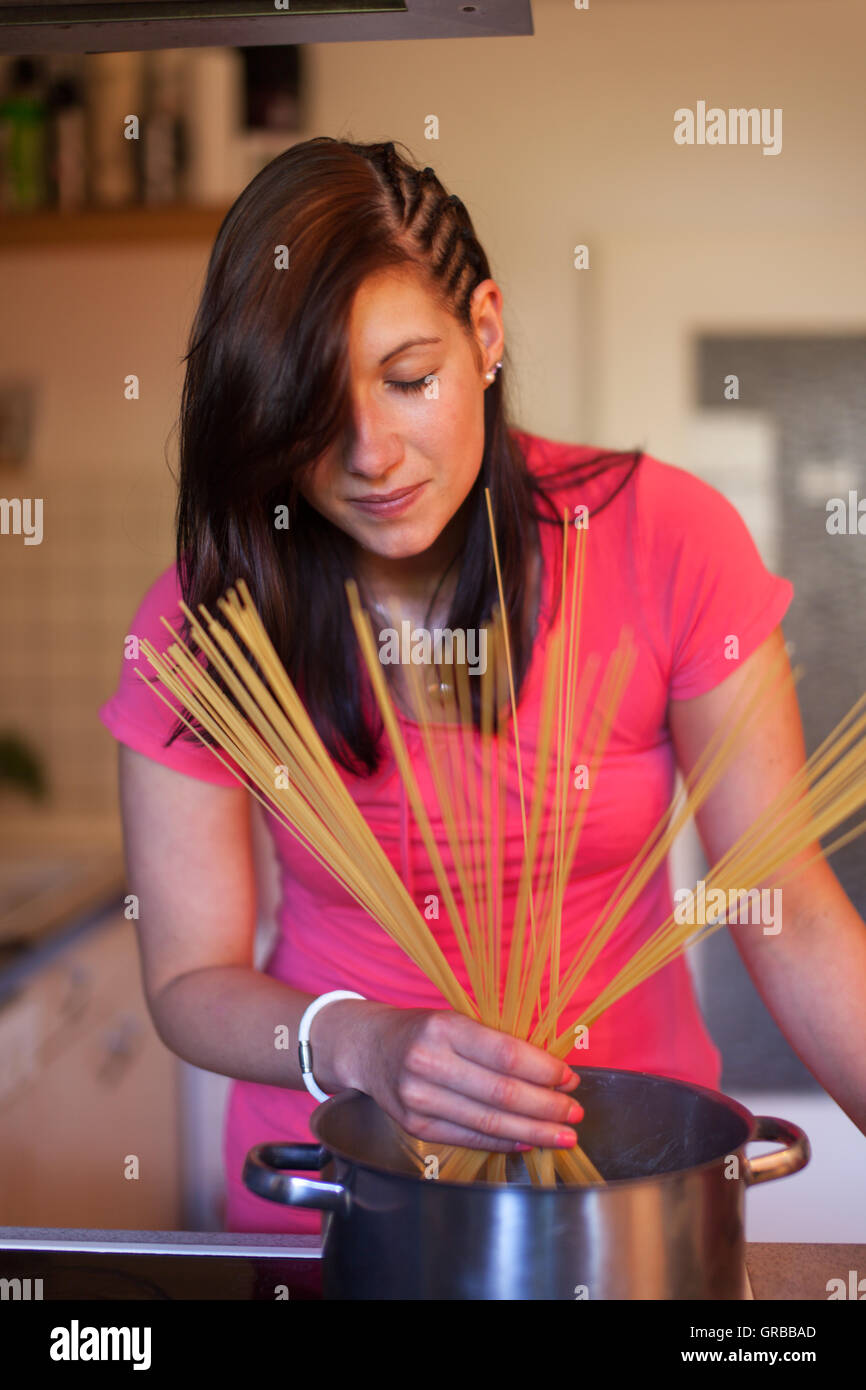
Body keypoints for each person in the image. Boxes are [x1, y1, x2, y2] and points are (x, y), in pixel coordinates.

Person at [99, 137, 866, 1234]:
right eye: (311, 404)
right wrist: (361, 1041)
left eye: (410, 380)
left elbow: (780, 900)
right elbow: (188, 981)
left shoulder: (665, 539)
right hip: (331, 1189)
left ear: (486, 333)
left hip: (627, 1189)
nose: (370, 452)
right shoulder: (201, 620)